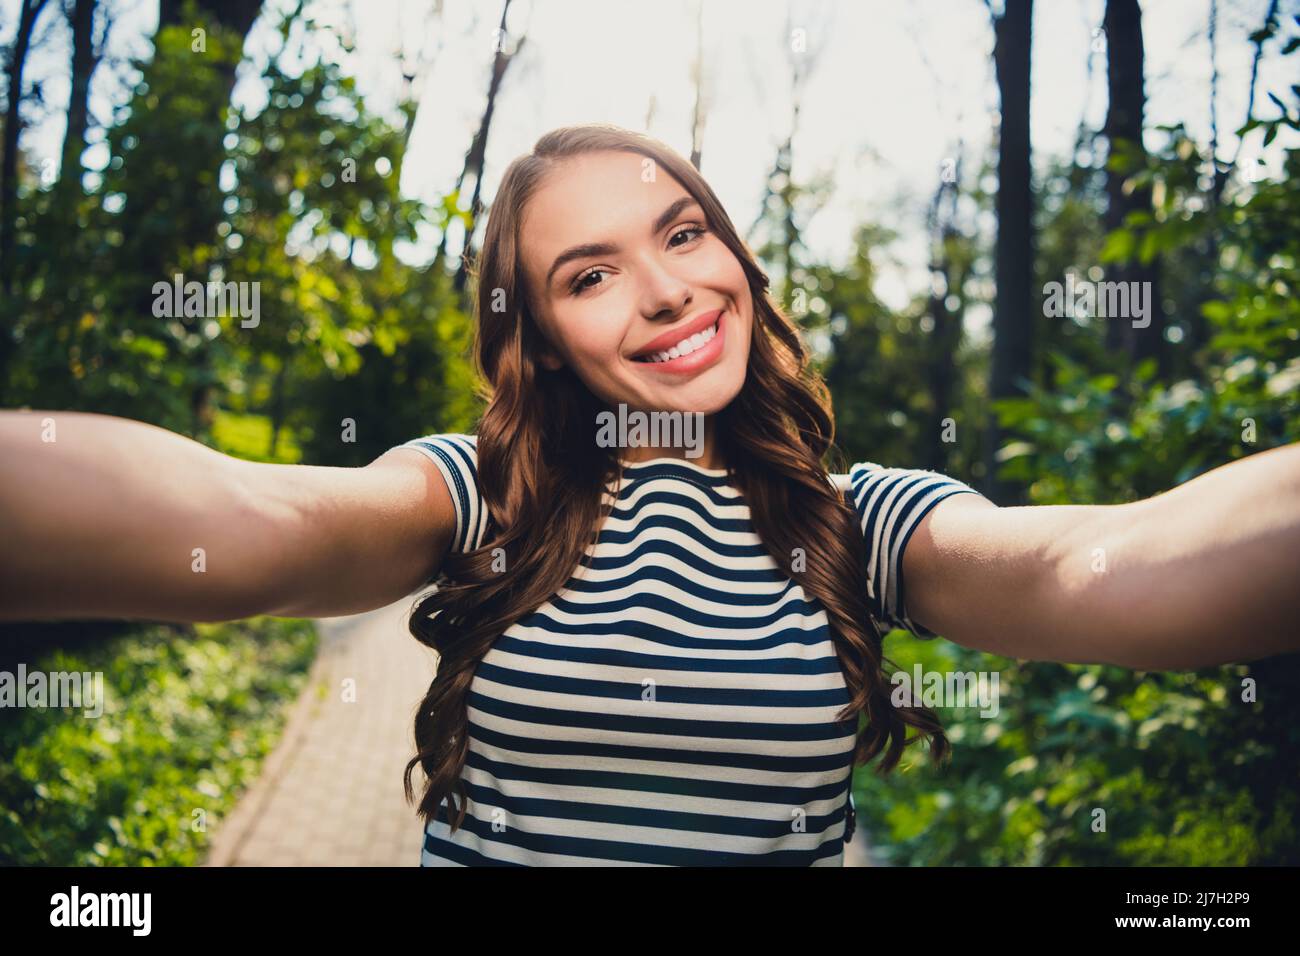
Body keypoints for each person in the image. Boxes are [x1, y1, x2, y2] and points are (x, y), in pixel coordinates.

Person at [2, 124, 1298, 867]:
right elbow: (249, 535)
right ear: (543, 336)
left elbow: (1106, 568)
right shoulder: (476, 493)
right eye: (589, 274)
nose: (668, 290)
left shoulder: (864, 523)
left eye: (684, 235)